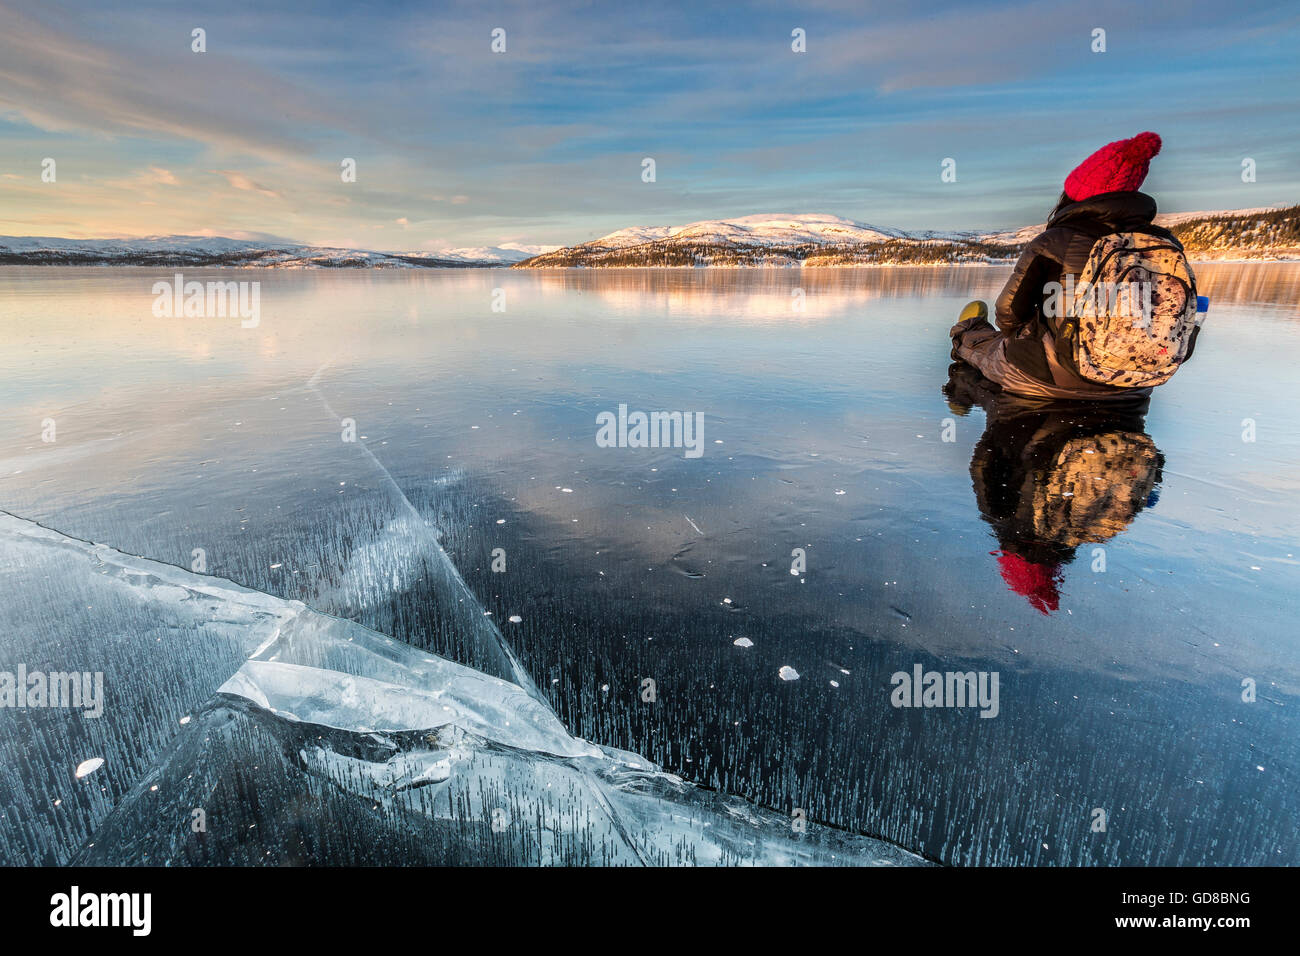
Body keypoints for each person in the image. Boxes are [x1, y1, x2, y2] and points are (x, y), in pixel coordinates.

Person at [951, 132, 1201, 401]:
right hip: (1133, 384)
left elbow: (1009, 314)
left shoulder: (1055, 241)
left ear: (1076, 195)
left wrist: (1030, 332)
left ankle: (966, 336)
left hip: (1049, 378)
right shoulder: (1164, 244)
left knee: (986, 348)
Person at [943, 362, 1164, 614]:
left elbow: (1153, 480)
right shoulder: (1007, 518)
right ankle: (960, 381)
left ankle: (961, 381)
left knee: (986, 382)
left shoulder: (1094, 527)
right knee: (980, 381)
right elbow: (984, 460)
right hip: (1053, 406)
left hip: (1121, 405)